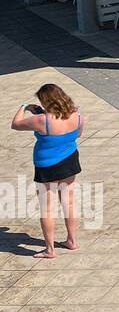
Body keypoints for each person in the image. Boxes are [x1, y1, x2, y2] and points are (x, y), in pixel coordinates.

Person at [11, 83, 82, 259]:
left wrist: (24, 107)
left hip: (47, 166)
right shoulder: (77, 115)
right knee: (69, 202)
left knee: (47, 209)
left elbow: (15, 124)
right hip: (70, 160)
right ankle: (72, 240)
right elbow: (78, 134)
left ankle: (50, 250)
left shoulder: (43, 120)